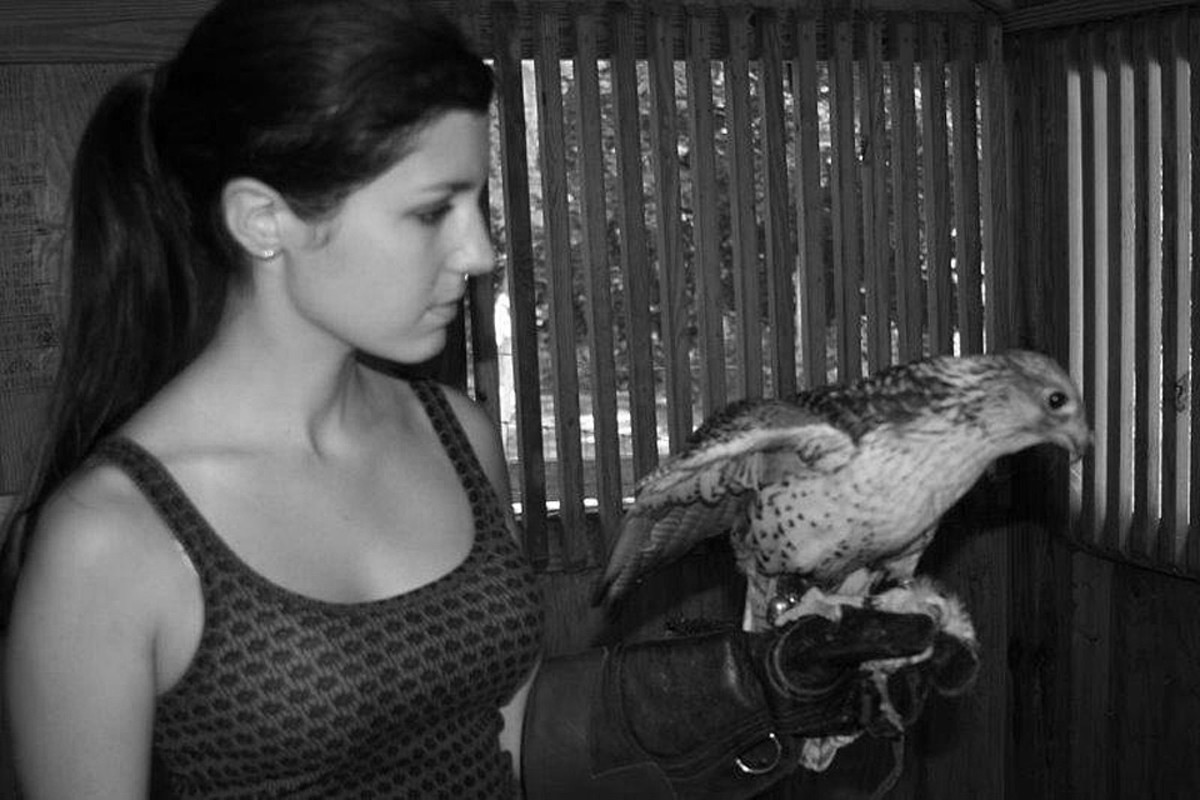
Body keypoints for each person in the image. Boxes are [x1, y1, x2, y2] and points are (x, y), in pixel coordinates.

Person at [0, 1, 977, 798]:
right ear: (265, 218)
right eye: (433, 211)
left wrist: (749, 689)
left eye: (481, 207)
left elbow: (504, 746)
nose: (479, 253)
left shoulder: (456, 434)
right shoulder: (108, 538)